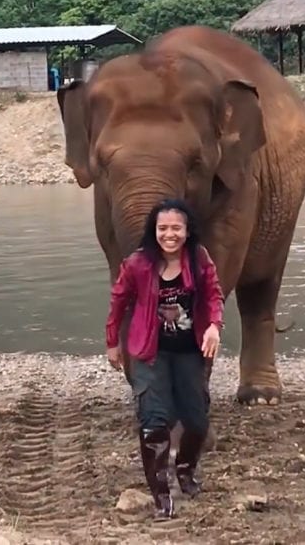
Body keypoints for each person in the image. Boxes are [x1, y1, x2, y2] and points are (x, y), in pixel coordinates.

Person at [104, 198, 224, 520]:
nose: (169, 234)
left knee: (197, 422)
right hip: (149, 351)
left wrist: (214, 325)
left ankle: (184, 469)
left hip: (189, 351)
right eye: (162, 228)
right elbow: (118, 301)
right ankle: (161, 495)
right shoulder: (138, 264)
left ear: (187, 231)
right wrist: (112, 341)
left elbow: (214, 294)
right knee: (153, 422)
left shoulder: (199, 260)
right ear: (153, 231)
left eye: (176, 228)